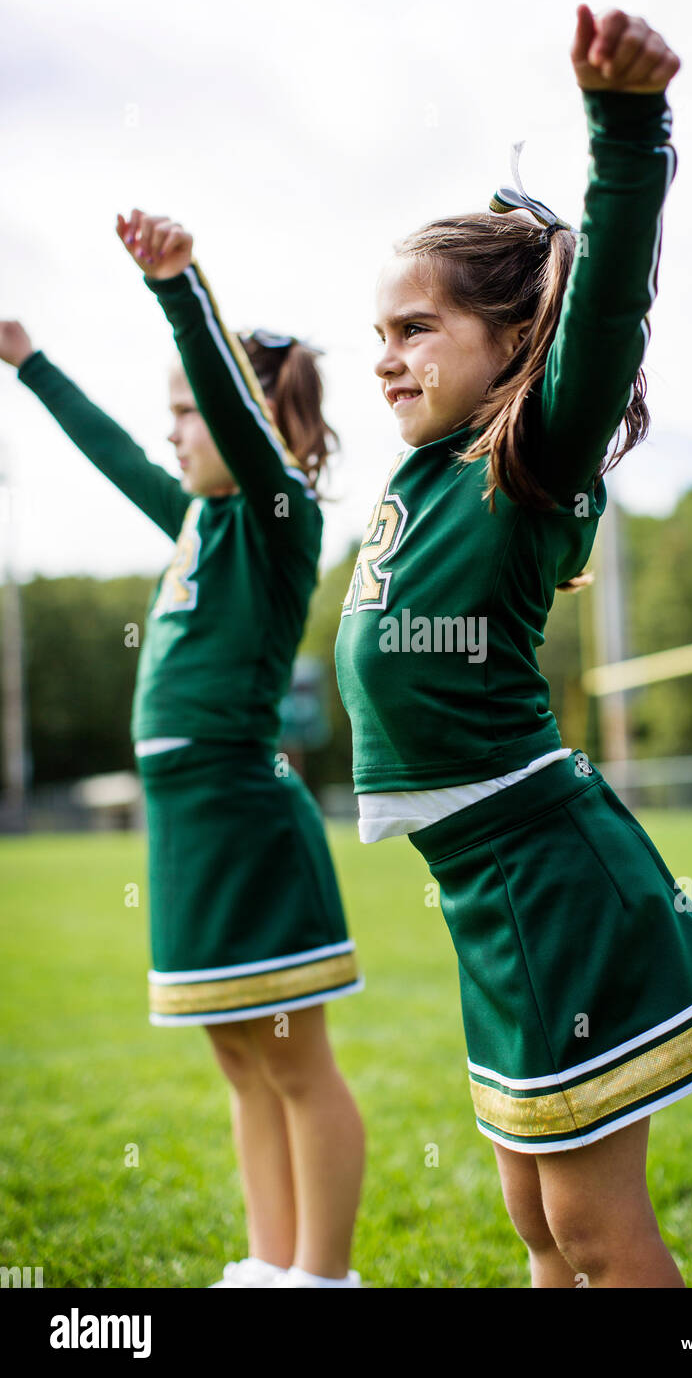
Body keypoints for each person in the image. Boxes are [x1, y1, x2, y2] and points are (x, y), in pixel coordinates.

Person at [334, 5, 692, 1288]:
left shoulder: (523, 458)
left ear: (514, 339)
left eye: (414, 329)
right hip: (482, 890)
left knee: (588, 1226)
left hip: (549, 879)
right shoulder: (420, 474)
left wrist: (623, 129)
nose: (384, 358)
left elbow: (606, 308)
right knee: (533, 1226)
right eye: (377, 335)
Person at [1, 214, 364, 1289]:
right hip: (185, 829)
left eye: (187, 414)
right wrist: (31, 364)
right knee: (237, 1057)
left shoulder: (275, 511)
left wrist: (175, 288)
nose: (171, 434)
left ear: (246, 419)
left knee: (295, 1061)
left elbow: (235, 425)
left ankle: (324, 1276)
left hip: (248, 821)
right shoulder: (195, 521)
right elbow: (114, 449)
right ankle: (268, 1263)